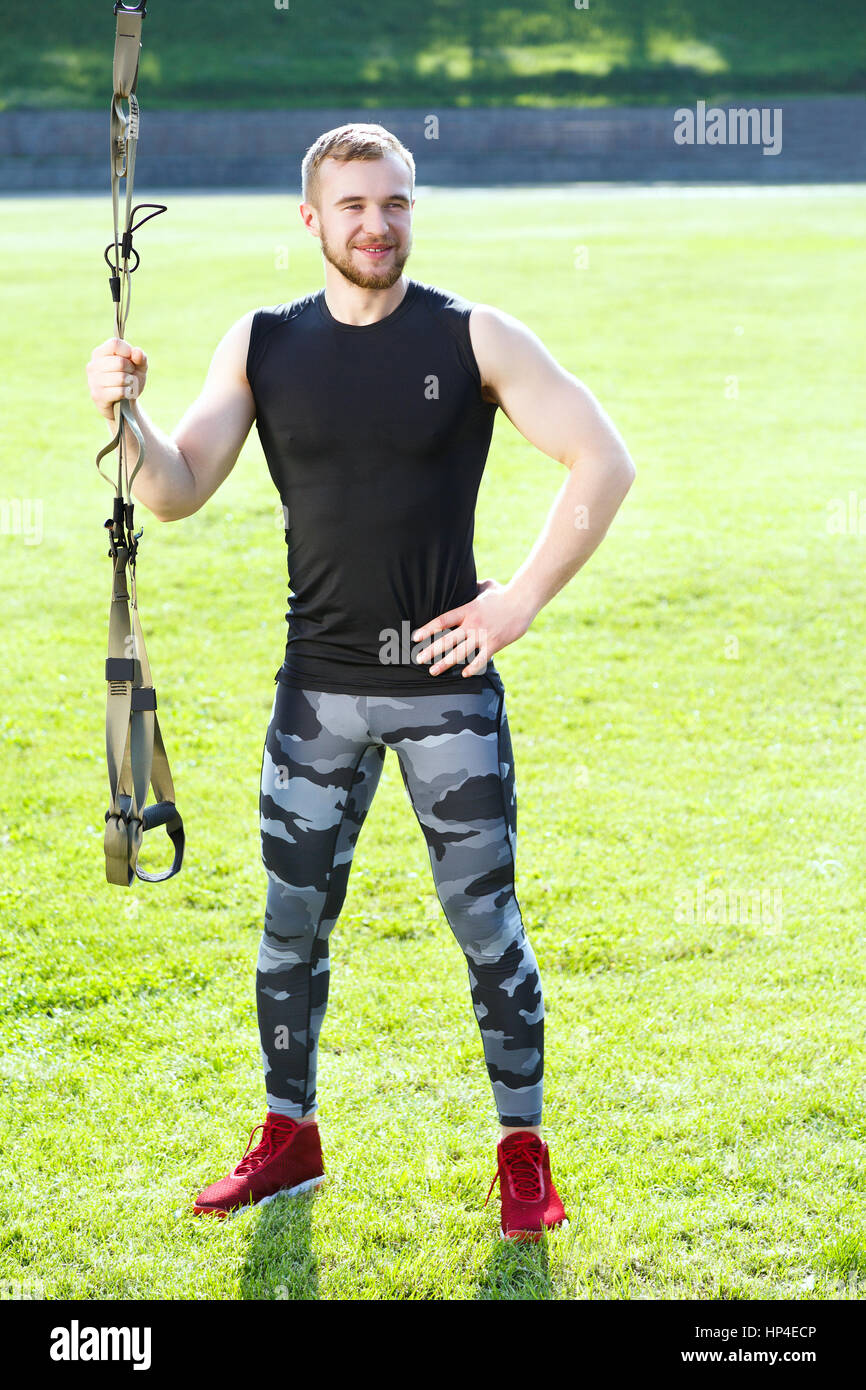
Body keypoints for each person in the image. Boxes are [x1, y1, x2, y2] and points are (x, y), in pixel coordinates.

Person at [86, 123, 636, 1241]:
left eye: (393, 204)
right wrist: (123, 413)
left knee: (488, 932)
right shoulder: (263, 345)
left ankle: (521, 1152)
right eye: (352, 207)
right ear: (310, 221)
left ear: (409, 210)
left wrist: (514, 601)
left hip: (446, 694)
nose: (375, 225)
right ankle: (290, 1139)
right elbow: (176, 487)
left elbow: (601, 458)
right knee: (289, 929)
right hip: (316, 699)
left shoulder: (473, 335)